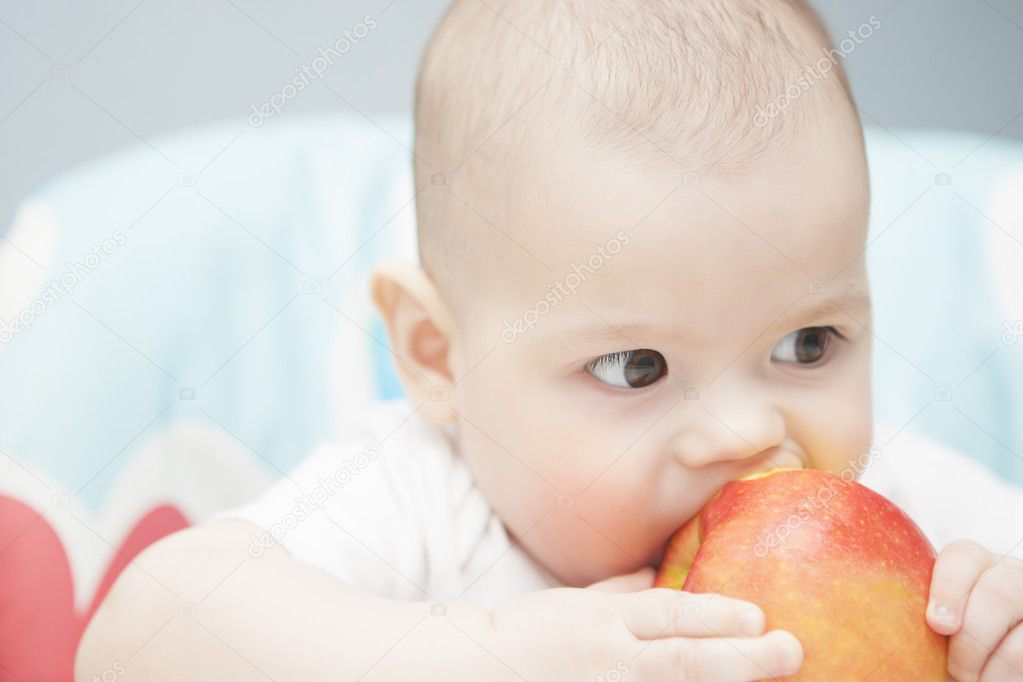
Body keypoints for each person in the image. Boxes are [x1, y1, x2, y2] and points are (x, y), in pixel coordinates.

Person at [76, 1, 1023, 680]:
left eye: (808, 344)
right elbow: (140, 638)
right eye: (634, 367)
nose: (744, 430)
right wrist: (495, 651)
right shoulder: (424, 510)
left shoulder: (909, 520)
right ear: (440, 358)